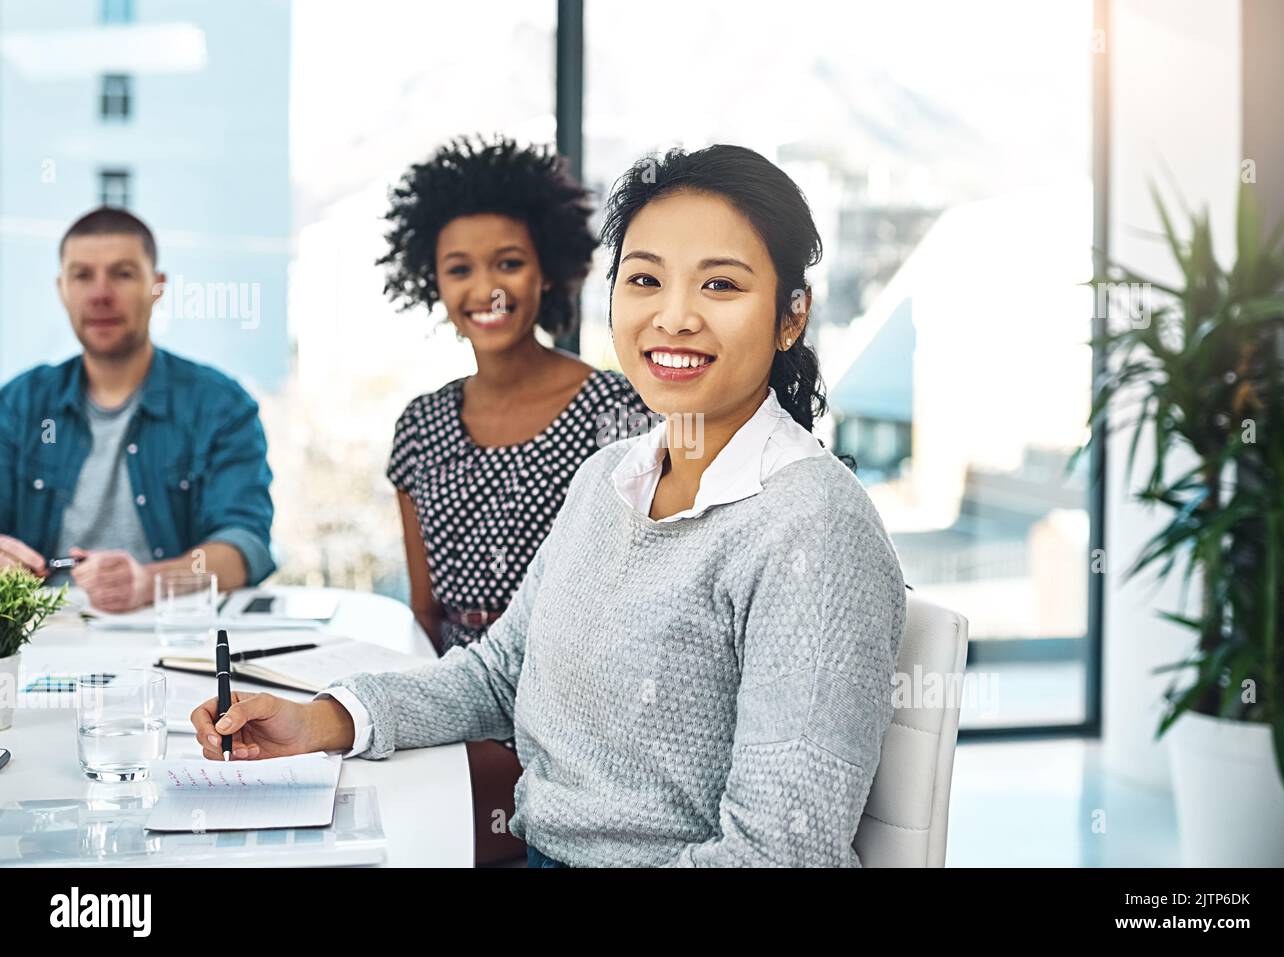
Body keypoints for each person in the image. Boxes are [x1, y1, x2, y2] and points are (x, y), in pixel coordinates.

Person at [193, 144, 906, 868]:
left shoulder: (813, 527)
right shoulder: (607, 479)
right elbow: (501, 671)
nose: (675, 316)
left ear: (791, 318)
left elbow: (781, 854)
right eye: (645, 280)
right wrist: (324, 718)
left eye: (720, 285)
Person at [377, 135, 650, 864]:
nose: (485, 288)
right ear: (430, 281)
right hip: (460, 697)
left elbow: (636, 604)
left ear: (546, 272)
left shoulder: (617, 409)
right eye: (459, 268)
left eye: (509, 262)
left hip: (575, 711)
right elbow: (425, 613)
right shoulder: (420, 425)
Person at [0, 207, 275, 612]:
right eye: (82, 275)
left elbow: (243, 546)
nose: (100, 294)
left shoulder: (219, 404)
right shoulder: (20, 404)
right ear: (62, 289)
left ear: (157, 286)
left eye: (123, 274)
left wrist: (149, 581)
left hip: (172, 641)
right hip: (39, 643)